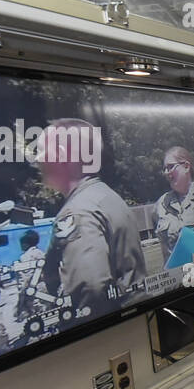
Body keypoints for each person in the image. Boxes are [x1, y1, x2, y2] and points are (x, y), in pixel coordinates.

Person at [37, 118, 147, 318]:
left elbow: (92, 290)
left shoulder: (77, 212)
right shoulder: (107, 196)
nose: (38, 158)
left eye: (42, 150)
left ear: (61, 155)